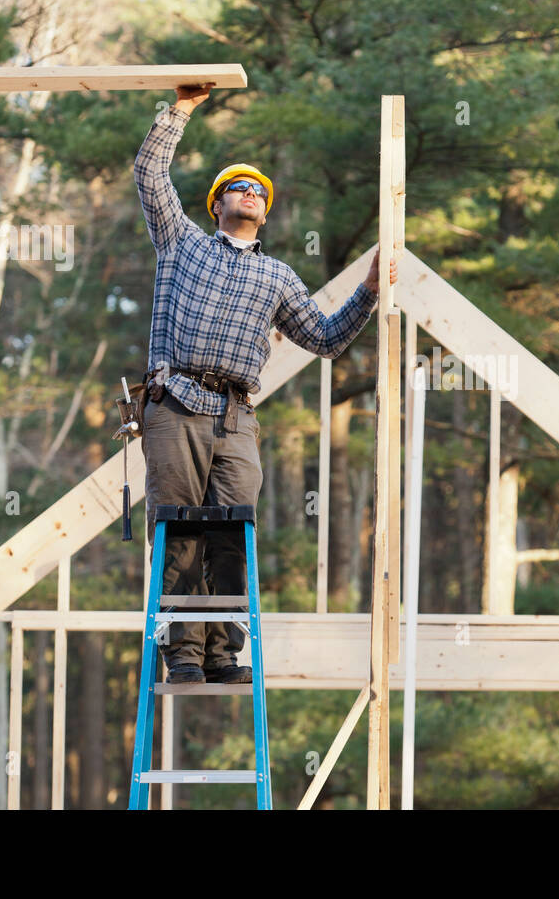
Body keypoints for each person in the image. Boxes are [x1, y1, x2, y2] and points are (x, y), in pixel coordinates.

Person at [134, 83, 396, 684]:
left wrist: (368, 291)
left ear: (265, 212)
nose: (248, 193)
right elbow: (149, 173)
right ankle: (183, 655)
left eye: (257, 190)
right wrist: (183, 108)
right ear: (216, 204)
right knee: (180, 530)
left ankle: (225, 655)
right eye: (236, 187)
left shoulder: (278, 277)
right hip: (175, 403)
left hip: (235, 417)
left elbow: (327, 339)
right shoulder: (182, 245)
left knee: (233, 535)